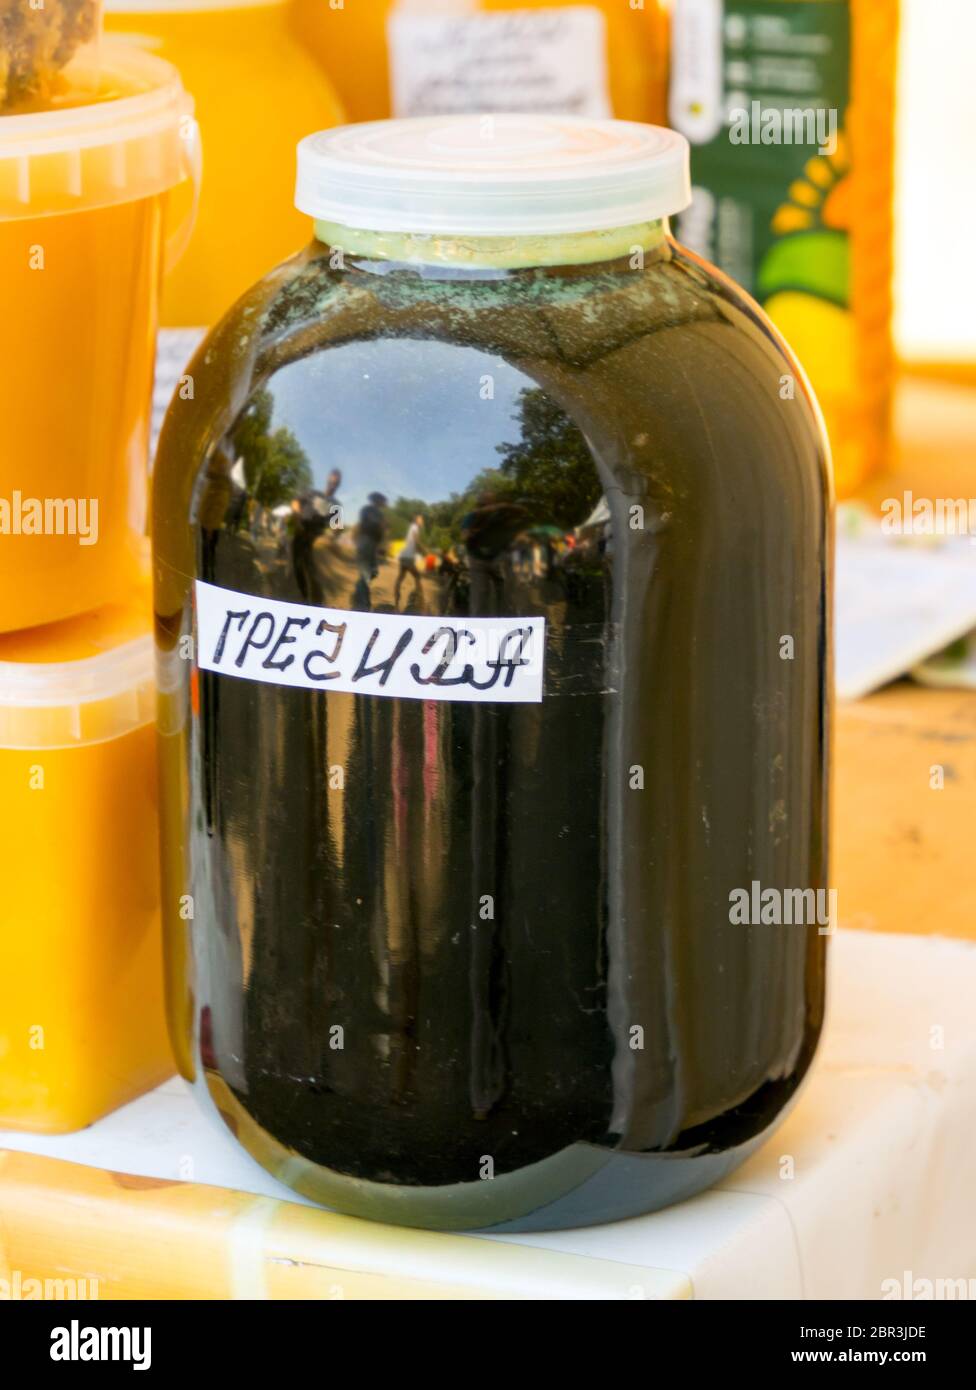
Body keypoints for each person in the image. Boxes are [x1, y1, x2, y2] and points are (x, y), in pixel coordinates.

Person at [394, 513, 426, 609]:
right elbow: (416, 540)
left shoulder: (412, 527)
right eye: (421, 519)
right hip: (408, 557)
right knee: (417, 576)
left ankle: (396, 603)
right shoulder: (415, 527)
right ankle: (420, 602)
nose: (422, 521)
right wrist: (424, 549)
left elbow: (413, 542)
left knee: (400, 578)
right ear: (416, 520)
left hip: (404, 556)